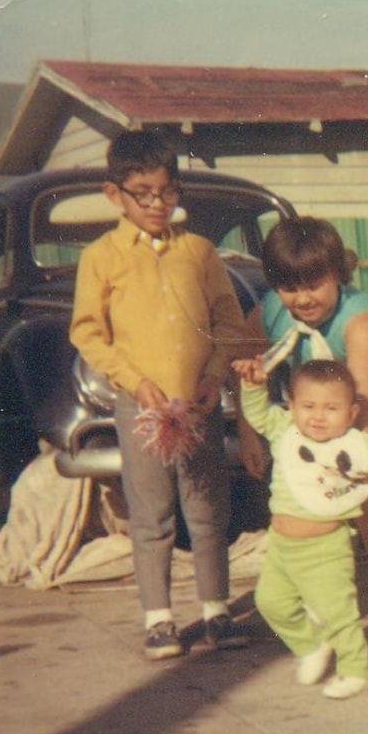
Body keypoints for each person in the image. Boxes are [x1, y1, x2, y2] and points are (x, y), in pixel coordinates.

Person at [70, 130, 248, 660]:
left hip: (198, 404)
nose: (156, 204)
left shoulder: (199, 252)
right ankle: (160, 619)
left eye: (167, 192)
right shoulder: (101, 257)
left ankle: (216, 608)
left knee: (208, 507)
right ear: (114, 194)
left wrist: (214, 379)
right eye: (142, 193)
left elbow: (229, 321)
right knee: (152, 513)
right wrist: (133, 381)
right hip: (142, 408)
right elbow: (87, 332)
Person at [237, 217, 368, 647]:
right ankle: (319, 603)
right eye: (290, 287)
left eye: (314, 285)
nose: (303, 298)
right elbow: (246, 366)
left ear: (337, 276)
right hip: (314, 396)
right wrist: (249, 431)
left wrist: (348, 465)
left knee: (367, 499)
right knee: (304, 496)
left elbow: (362, 403)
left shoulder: (360, 321)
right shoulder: (271, 310)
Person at [232, 357, 368, 700]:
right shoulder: (284, 431)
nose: (318, 416)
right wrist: (253, 385)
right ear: (291, 407)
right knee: (271, 602)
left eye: (331, 408)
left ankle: (355, 671)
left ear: (350, 414)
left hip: (325, 549)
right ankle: (311, 645)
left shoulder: (353, 444)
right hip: (282, 548)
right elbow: (257, 414)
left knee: (339, 614)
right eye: (308, 406)